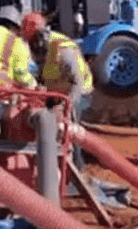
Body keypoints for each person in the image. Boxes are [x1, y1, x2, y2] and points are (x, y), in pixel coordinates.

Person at [21, 12, 94, 171]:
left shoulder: (63, 48)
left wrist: (68, 107)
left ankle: (76, 170)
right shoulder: (43, 49)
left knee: (69, 130)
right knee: (54, 127)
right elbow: (44, 73)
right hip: (58, 93)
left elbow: (76, 80)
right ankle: (57, 167)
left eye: (33, 41)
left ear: (40, 37)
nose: (32, 46)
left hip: (78, 93)